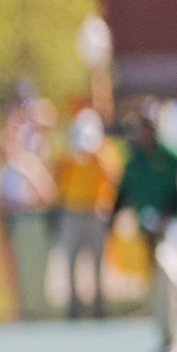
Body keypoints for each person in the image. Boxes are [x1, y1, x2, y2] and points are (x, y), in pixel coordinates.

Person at [115, 102, 177, 352]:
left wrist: (168, 214)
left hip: (171, 228)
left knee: (169, 280)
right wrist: (113, 219)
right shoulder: (134, 160)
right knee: (153, 287)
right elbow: (122, 193)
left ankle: (173, 338)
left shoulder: (171, 156)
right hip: (145, 232)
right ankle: (165, 336)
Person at [54, 108, 120, 319]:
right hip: (72, 212)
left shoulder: (105, 153)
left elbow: (113, 178)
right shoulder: (67, 157)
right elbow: (59, 183)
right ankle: (73, 307)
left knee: (98, 263)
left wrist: (97, 154)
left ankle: (99, 306)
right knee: (71, 262)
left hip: (95, 212)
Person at [0, 119, 55, 319]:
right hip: (12, 222)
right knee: (16, 269)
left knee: (35, 267)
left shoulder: (27, 163)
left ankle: (39, 307)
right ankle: (22, 309)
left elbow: (47, 193)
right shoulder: (3, 170)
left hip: (31, 221)